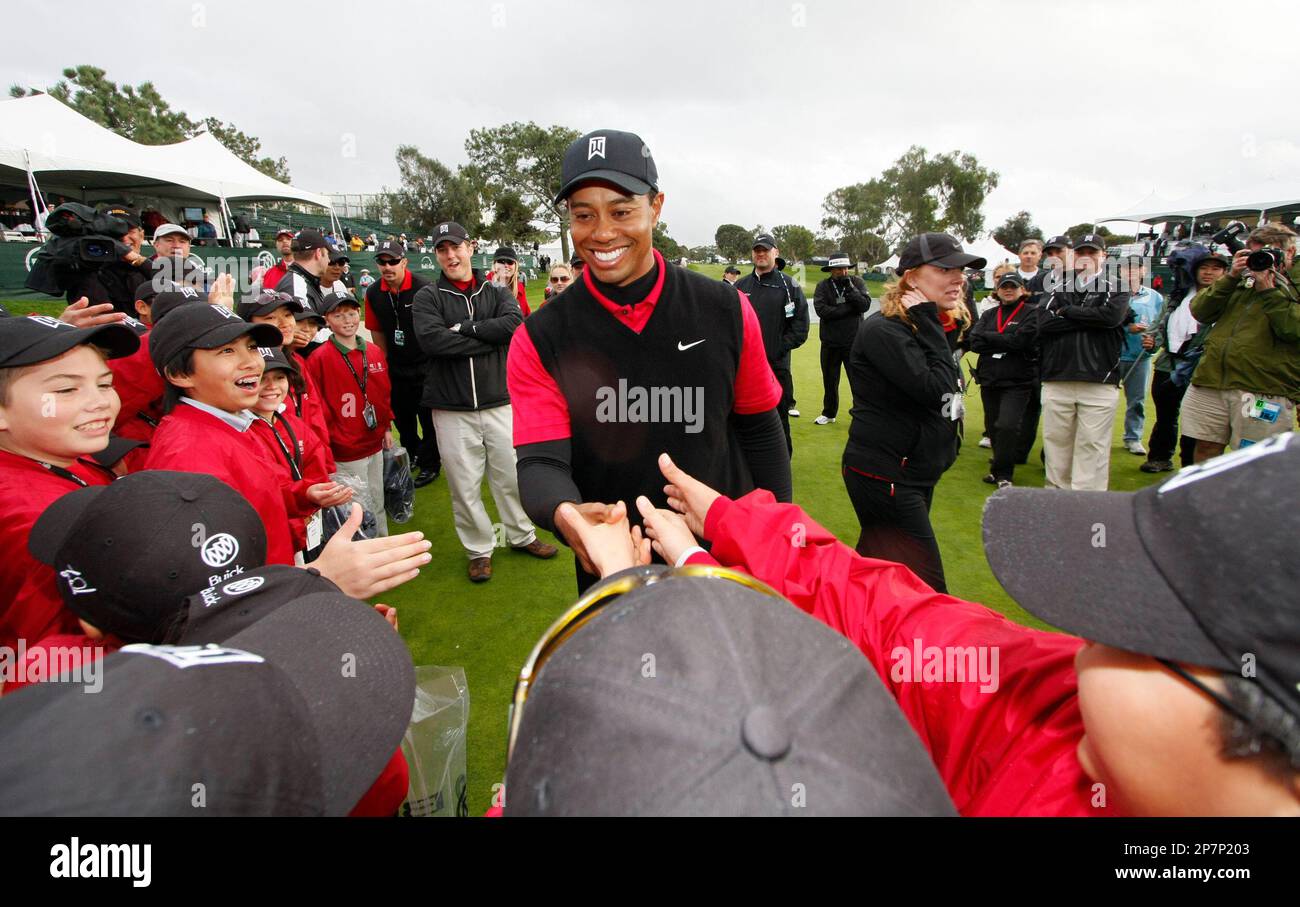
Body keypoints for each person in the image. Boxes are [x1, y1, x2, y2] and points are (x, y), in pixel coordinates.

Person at [596, 439, 1300, 816]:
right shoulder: (1055, 710)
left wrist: (633, 608)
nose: (1081, 648)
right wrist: (725, 525)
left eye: (1136, 631)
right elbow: (902, 624)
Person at [506, 129, 790, 593]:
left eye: (621, 211)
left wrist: (776, 538)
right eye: (583, 215)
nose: (601, 232)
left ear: (655, 207)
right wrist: (567, 516)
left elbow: (761, 428)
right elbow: (540, 463)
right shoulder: (540, 336)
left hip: (728, 557)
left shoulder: (727, 310)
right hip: (617, 565)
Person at [840, 232, 983, 593]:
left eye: (962, 270)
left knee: (875, 575)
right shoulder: (886, 331)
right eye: (946, 268)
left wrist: (936, 324)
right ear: (911, 276)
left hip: (915, 471)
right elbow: (940, 392)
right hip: (886, 476)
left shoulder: (932, 324)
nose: (959, 277)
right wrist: (932, 324)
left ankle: (834, 632)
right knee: (928, 592)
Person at [415, 222, 556, 582]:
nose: (451, 255)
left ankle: (521, 535)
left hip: (498, 400)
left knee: (511, 475)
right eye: (442, 249)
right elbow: (433, 342)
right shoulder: (428, 296)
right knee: (464, 484)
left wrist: (462, 330)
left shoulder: (495, 291)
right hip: (451, 406)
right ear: (436, 254)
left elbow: (513, 325)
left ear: (470, 247)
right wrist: (488, 338)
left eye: (456, 247)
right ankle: (479, 549)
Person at [0, 315, 139, 654]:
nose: (101, 402)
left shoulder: (56, 453)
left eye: (105, 384)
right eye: (66, 389)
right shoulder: (33, 519)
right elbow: (52, 657)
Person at [1180, 222, 1300, 462]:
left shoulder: (1294, 284)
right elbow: (1200, 311)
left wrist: (1268, 290)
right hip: (1211, 380)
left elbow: (1294, 329)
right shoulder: (1239, 278)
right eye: (1255, 253)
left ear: (1290, 253)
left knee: (1254, 460)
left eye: (1268, 252)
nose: (1261, 259)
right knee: (1203, 450)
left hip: (1265, 387)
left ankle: (1247, 502)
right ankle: (1203, 500)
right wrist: (1231, 276)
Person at [1035, 232, 1131, 490]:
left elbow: (1111, 317)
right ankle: (1057, 501)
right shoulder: (1057, 286)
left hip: (1099, 379)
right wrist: (1090, 318)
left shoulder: (1116, 285)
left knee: (1092, 446)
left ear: (1104, 256)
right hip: (1057, 376)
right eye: (1081, 252)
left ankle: (1085, 506)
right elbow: (1043, 323)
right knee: (1057, 444)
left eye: (1092, 252)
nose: (1086, 258)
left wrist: (1067, 312)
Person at [305, 292, 395, 538]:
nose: (347, 320)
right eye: (338, 314)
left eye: (352, 313)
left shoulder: (374, 352)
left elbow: (383, 392)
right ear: (327, 320)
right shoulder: (319, 358)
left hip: (374, 440)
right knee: (354, 507)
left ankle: (381, 544)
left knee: (377, 497)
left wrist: (386, 427)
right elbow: (316, 409)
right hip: (344, 447)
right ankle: (362, 553)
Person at [251, 347, 348, 557]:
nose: (272, 386)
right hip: (274, 534)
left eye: (279, 377)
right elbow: (267, 489)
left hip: (304, 521)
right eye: (262, 378)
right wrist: (306, 493)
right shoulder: (244, 432)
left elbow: (316, 461)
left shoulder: (290, 422)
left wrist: (316, 492)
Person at [1141, 249, 1227, 472]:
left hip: (1200, 366)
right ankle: (1160, 457)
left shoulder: (1227, 299)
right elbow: (1161, 324)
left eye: (1215, 268)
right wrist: (1152, 340)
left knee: (1196, 421)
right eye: (1204, 268)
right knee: (1165, 415)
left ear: (1225, 272)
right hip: (1167, 362)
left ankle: (1190, 465)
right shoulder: (1178, 296)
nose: (1208, 273)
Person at [365, 240, 440, 487]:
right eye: (382, 262)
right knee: (403, 420)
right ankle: (414, 454)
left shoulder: (424, 288)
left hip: (425, 364)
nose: (387, 267)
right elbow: (377, 333)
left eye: (393, 261)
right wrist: (382, 367)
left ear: (404, 262)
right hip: (395, 367)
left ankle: (431, 464)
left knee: (428, 419)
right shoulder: (373, 293)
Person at [735, 233, 810, 454]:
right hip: (744, 368)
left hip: (776, 367)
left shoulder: (789, 286)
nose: (760, 254)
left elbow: (800, 327)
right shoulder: (740, 285)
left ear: (775, 253)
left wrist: (775, 349)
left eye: (765, 250)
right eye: (757, 250)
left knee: (778, 419)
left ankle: (781, 465)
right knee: (743, 418)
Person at [969, 271, 1039, 487]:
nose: (1008, 290)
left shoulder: (1032, 312)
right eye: (1004, 286)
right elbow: (975, 342)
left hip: (1018, 380)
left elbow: (1022, 342)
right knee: (993, 427)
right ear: (997, 290)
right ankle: (997, 470)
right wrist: (1006, 339)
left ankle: (1004, 474)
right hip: (990, 377)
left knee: (1007, 425)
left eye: (1013, 286)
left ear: (1022, 289)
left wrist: (992, 338)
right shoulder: (990, 314)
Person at [811, 250, 871, 425]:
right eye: (838, 269)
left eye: (845, 268)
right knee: (830, 380)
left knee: (857, 380)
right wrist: (848, 309)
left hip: (854, 342)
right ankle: (829, 413)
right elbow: (822, 311)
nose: (843, 272)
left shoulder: (857, 282)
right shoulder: (823, 286)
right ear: (831, 270)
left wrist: (850, 289)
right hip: (830, 342)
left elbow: (864, 305)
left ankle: (861, 413)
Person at [63, 206, 152, 317]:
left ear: (142, 235)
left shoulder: (149, 267)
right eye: (114, 233)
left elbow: (174, 285)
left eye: (130, 231)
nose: (124, 238)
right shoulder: (89, 273)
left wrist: (138, 260)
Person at [1116, 257, 1164, 455]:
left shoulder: (1155, 298)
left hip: (1139, 357)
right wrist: (1128, 328)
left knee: (1137, 401)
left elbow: (1160, 325)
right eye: (1127, 269)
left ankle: (1133, 438)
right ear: (1119, 272)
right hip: (1111, 355)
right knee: (1101, 400)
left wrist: (1153, 342)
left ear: (1143, 271)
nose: (1131, 272)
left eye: (1136, 268)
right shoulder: (1112, 294)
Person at [274, 229, 330, 316]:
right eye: (327, 254)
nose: (329, 260)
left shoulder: (303, 280)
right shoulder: (297, 285)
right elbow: (303, 328)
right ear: (318, 253)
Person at [491, 246, 532, 317]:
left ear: (515, 266)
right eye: (501, 261)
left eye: (510, 262)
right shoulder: (485, 288)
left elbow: (526, 315)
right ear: (494, 265)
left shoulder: (520, 289)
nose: (506, 265)